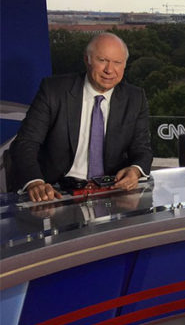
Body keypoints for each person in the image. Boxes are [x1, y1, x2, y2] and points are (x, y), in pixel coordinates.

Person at [9, 33, 152, 202]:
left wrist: (135, 170)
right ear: (87, 60)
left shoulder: (135, 97)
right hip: (57, 193)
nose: (109, 70)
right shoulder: (54, 91)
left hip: (111, 193)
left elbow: (142, 148)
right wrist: (35, 183)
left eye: (117, 63)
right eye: (102, 60)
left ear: (125, 65)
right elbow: (26, 142)